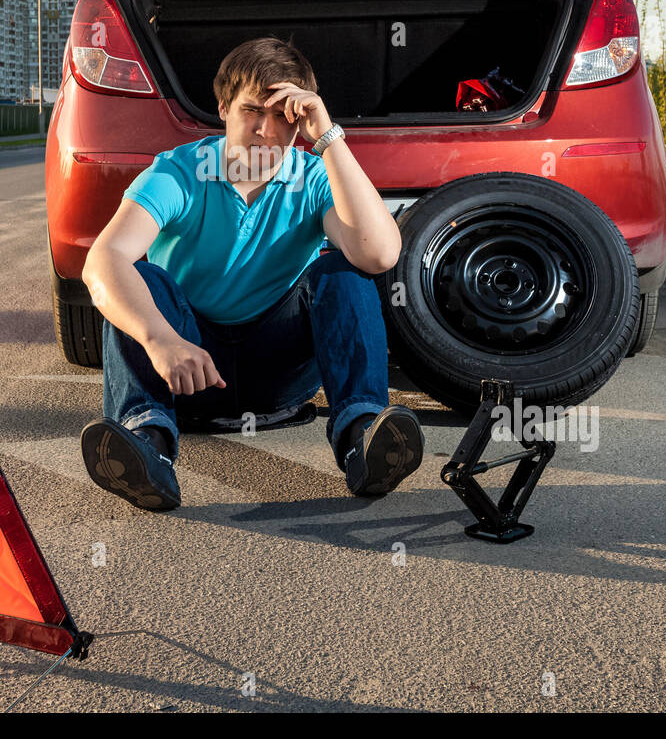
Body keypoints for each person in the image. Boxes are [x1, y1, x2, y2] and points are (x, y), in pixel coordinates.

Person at [79, 36, 424, 511]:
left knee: (340, 270)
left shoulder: (314, 176)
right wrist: (161, 339)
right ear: (222, 107)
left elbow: (379, 255)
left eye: (283, 115)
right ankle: (149, 447)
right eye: (251, 111)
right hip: (189, 371)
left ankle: (361, 438)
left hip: (278, 375)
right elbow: (102, 260)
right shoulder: (180, 172)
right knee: (140, 277)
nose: (265, 130)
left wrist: (328, 137)